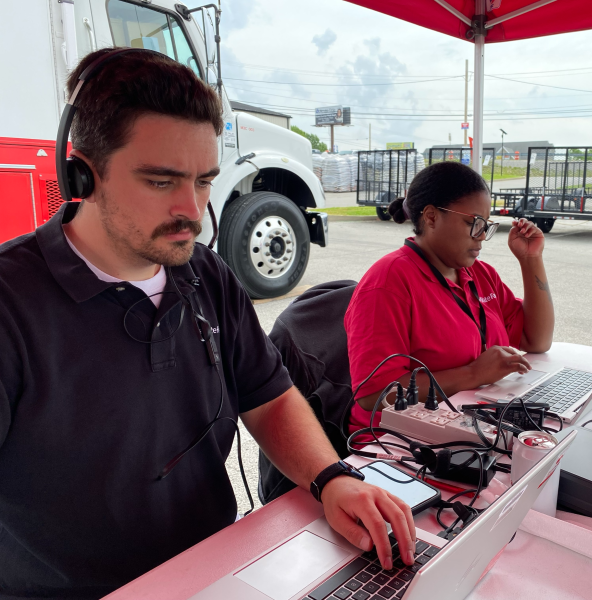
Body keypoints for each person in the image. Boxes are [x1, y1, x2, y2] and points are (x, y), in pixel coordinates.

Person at [0, 48, 415, 600]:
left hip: (221, 570)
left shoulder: (206, 273)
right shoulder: (11, 303)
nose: (193, 210)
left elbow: (269, 398)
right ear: (82, 173)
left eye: (203, 181)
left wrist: (331, 477)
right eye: (161, 182)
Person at [345, 161, 555, 428]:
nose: (481, 236)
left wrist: (531, 260)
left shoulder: (479, 274)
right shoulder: (388, 283)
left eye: (485, 225)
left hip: (471, 421)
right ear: (431, 217)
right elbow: (373, 393)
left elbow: (536, 340)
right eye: (473, 223)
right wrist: (473, 374)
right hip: (398, 437)